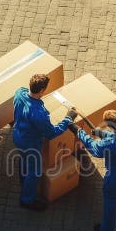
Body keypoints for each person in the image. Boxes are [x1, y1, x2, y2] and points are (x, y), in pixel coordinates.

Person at [13, 74, 77, 211]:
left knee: (24, 161)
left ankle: (24, 183)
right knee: (35, 170)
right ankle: (27, 200)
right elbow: (51, 133)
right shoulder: (38, 114)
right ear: (42, 90)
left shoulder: (19, 93)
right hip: (30, 144)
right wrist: (68, 119)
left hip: (18, 136)